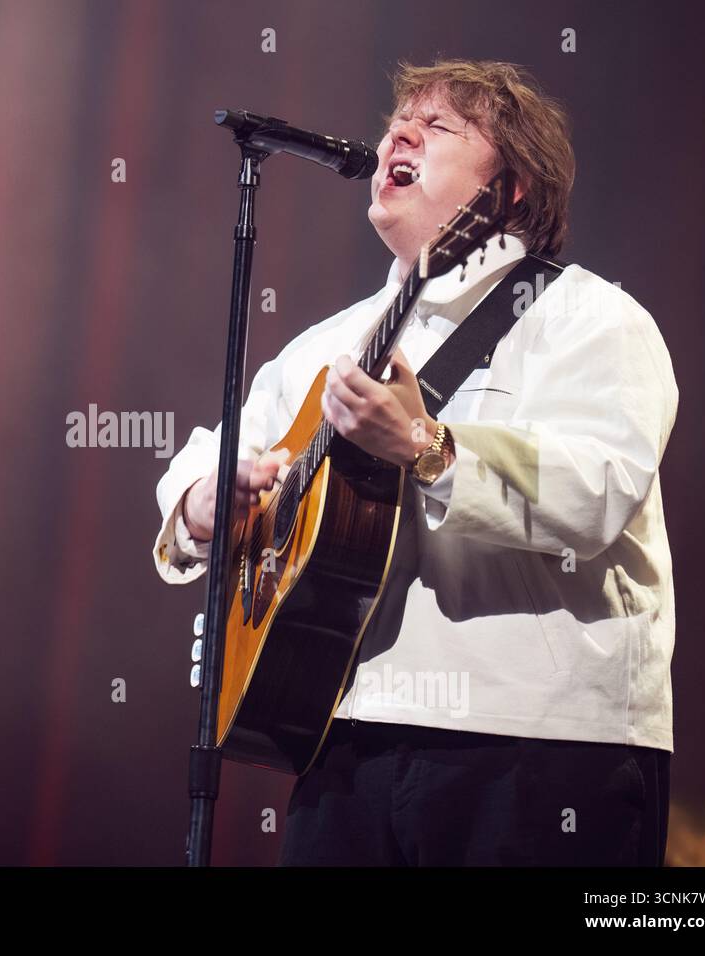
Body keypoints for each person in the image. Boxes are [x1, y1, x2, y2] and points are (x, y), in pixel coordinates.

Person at [152, 59, 677, 865]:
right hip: (344, 737)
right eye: (398, 120)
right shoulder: (326, 346)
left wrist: (427, 447)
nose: (398, 134)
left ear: (512, 192)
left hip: (535, 748)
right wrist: (199, 503)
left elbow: (595, 491)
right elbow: (214, 458)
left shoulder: (593, 319)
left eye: (437, 128)